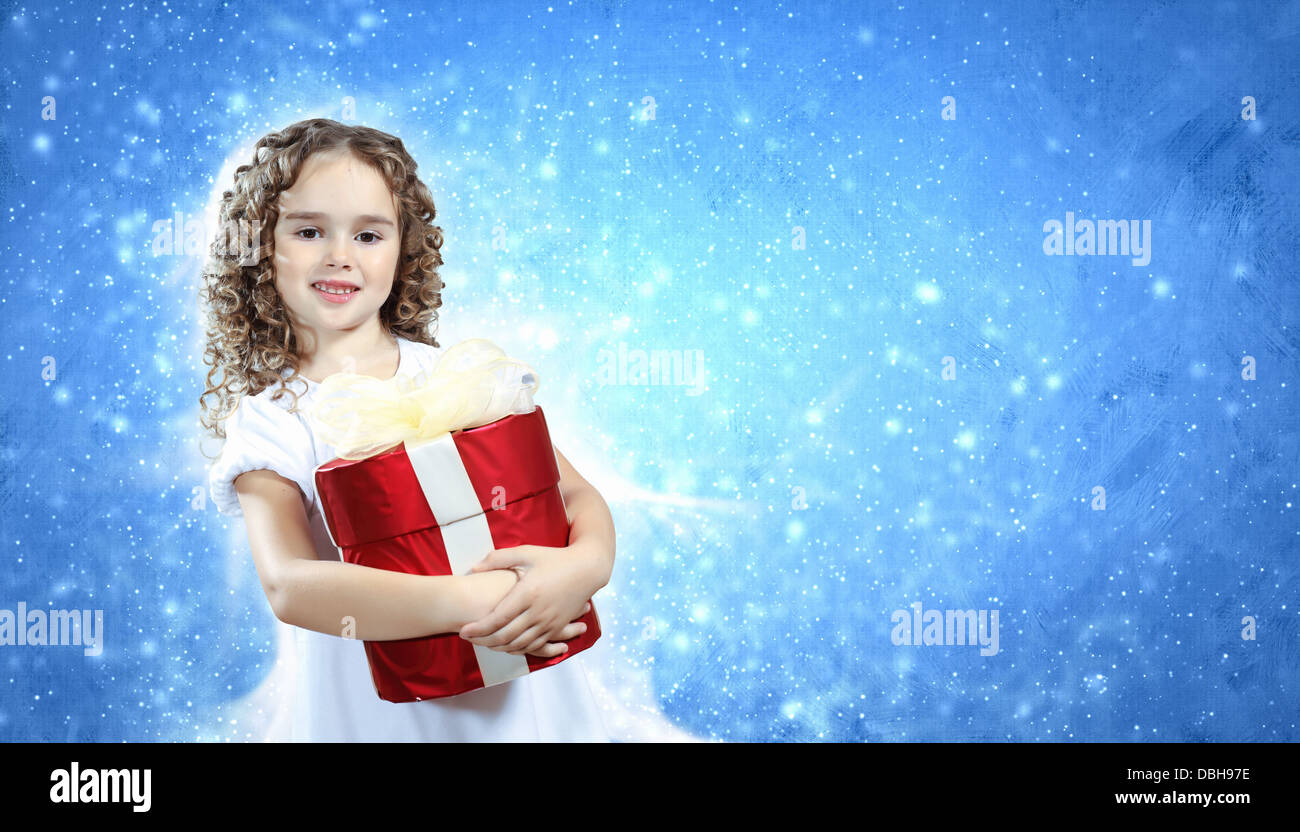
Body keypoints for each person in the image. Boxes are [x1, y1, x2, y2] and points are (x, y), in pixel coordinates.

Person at [198, 118, 615, 741]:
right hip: (383, 721)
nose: (340, 255)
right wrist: (474, 604)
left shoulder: (456, 376)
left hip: (527, 703)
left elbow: (573, 493)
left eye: (368, 234)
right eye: (309, 231)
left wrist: (584, 566)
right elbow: (289, 583)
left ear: (404, 249)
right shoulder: (274, 421)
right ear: (260, 246)